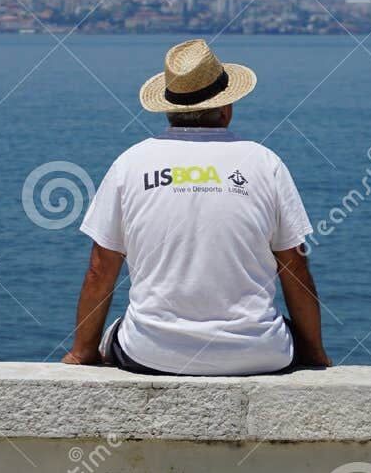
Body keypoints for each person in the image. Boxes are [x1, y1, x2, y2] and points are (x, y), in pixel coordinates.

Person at [61, 38, 330, 375]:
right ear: (227, 108)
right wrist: (315, 353)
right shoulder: (265, 162)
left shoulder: (130, 164)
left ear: (169, 109)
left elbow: (101, 270)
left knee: (114, 334)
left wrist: (81, 352)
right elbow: (294, 268)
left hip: (152, 355)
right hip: (257, 353)